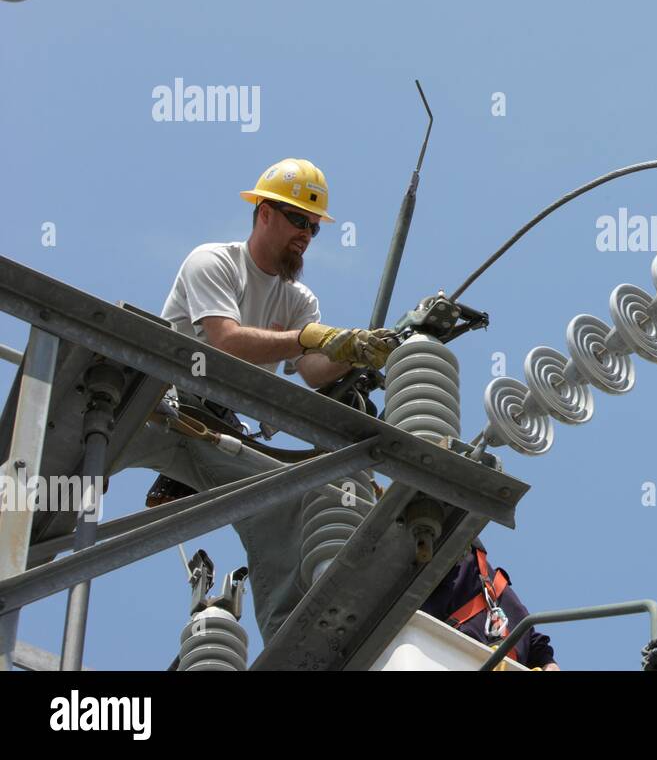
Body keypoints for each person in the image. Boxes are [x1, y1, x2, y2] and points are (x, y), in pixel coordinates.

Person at [107, 158, 400, 641]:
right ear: (263, 213)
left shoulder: (298, 299)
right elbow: (224, 343)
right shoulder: (215, 262)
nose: (306, 234)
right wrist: (310, 337)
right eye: (297, 220)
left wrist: (355, 351)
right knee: (64, 470)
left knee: (282, 505)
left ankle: (292, 640)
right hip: (157, 406)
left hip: (214, 430)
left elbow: (314, 374)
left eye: (314, 227)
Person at [422, 538, 560, 670]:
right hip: (462, 564)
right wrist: (548, 663)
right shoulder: (528, 648)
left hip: (441, 586)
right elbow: (536, 645)